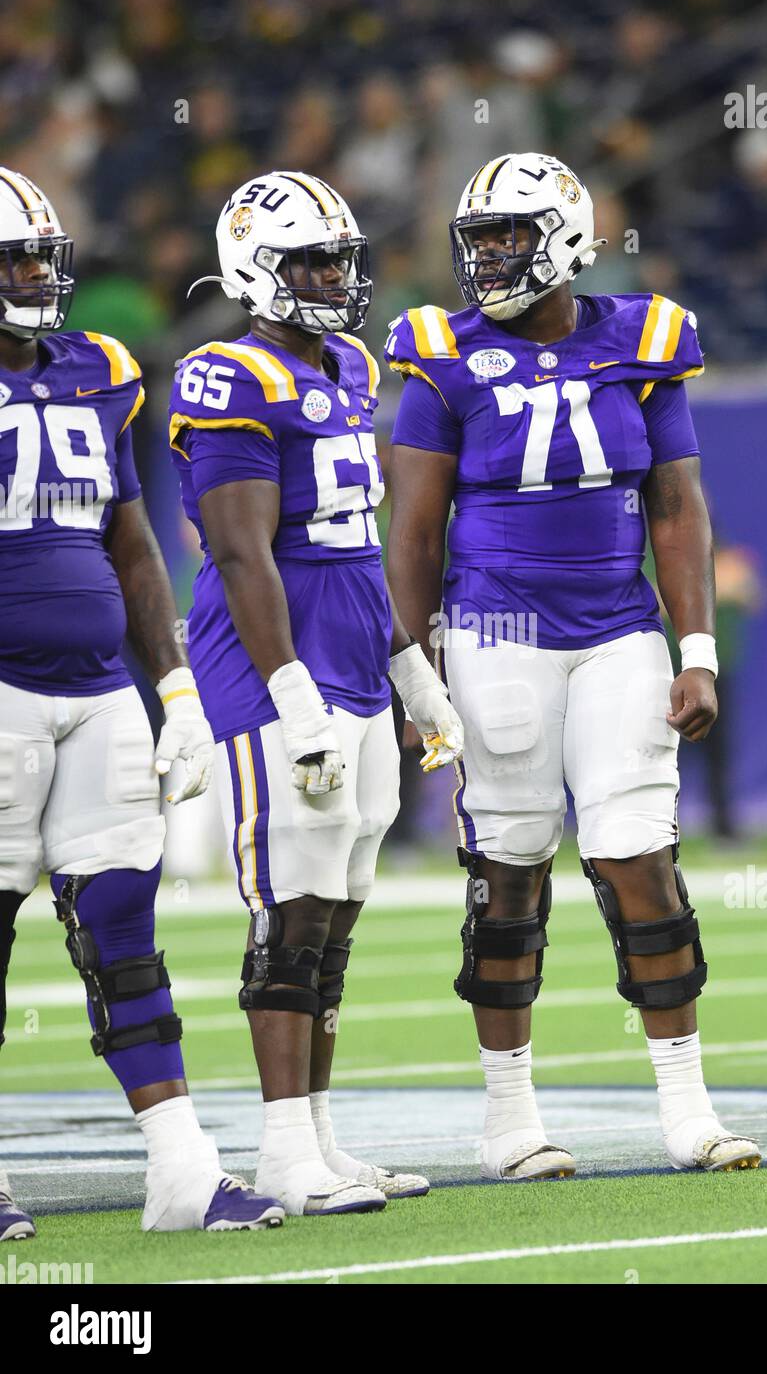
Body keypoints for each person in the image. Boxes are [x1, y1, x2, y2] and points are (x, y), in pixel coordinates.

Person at [385, 152, 760, 1180]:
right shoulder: (438, 352)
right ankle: (510, 1117)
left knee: (642, 855)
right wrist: (414, 672)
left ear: (566, 235)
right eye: (481, 238)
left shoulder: (643, 337)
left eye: (511, 233)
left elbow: (677, 507)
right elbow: (412, 533)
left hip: (617, 629)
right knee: (507, 872)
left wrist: (698, 648)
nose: (492, 255)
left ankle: (687, 1107)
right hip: (495, 630)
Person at [168, 171, 464, 1217]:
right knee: (290, 908)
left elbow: (352, 545)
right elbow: (245, 554)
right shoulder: (225, 374)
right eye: (311, 262)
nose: (336, 278)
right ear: (258, 267)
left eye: (340, 258)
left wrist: (407, 665)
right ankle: (284, 1150)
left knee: (337, 910)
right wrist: (289, 693)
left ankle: (321, 1142)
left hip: (353, 658)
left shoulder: (347, 361)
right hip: (272, 672)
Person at [0, 168, 282, 1240]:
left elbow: (129, 535)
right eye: (14, 260)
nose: (36, 276)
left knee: (124, 929)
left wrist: (172, 681)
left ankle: (182, 1172)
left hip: (102, 693)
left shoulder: (98, 368)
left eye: (42, 256)